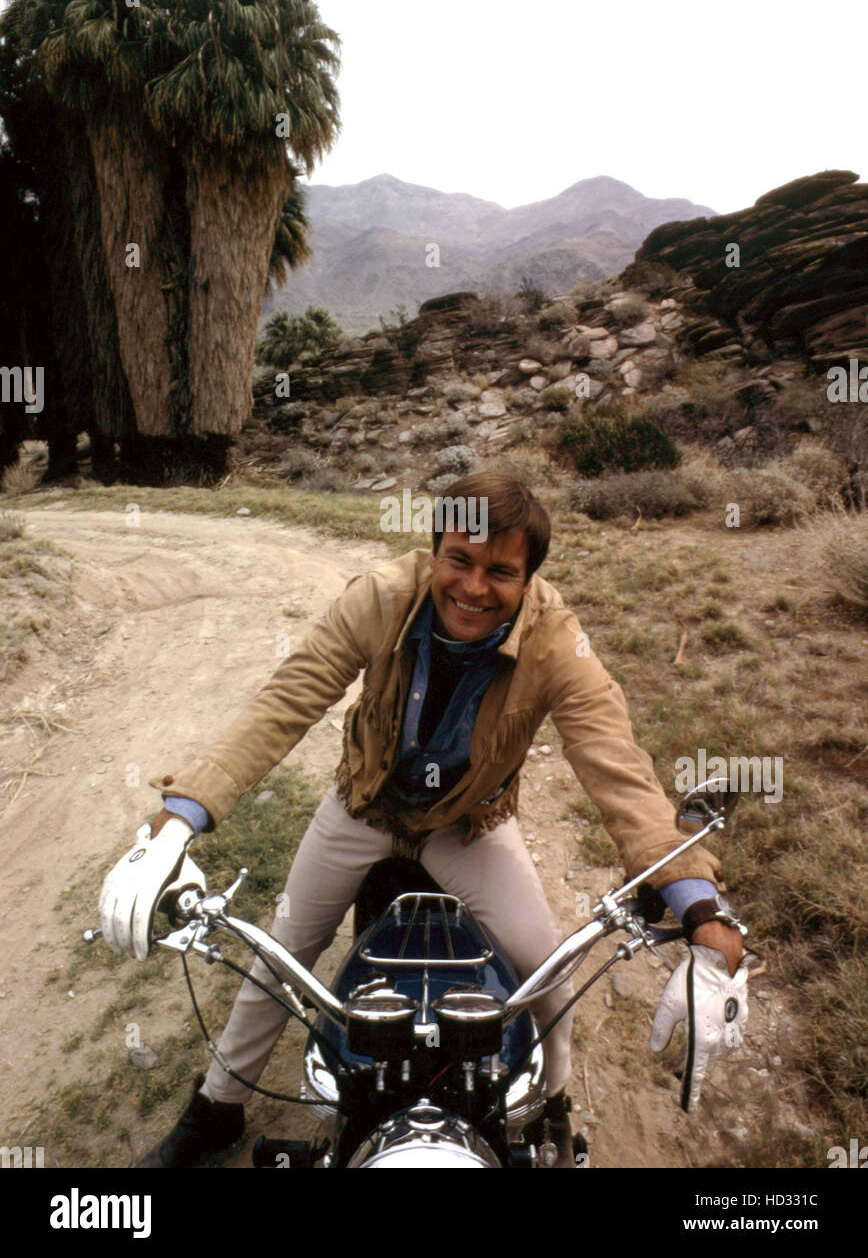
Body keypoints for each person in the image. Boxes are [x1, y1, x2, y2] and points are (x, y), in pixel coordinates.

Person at [99, 472, 748, 1168]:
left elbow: (615, 764)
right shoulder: (379, 598)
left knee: (548, 977)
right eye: (458, 560)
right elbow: (285, 701)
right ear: (433, 551)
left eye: (500, 571)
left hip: (468, 825)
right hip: (364, 806)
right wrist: (177, 823)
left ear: (529, 579)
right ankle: (216, 1106)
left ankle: (553, 1111)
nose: (473, 587)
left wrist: (699, 906)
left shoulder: (557, 640)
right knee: (279, 955)